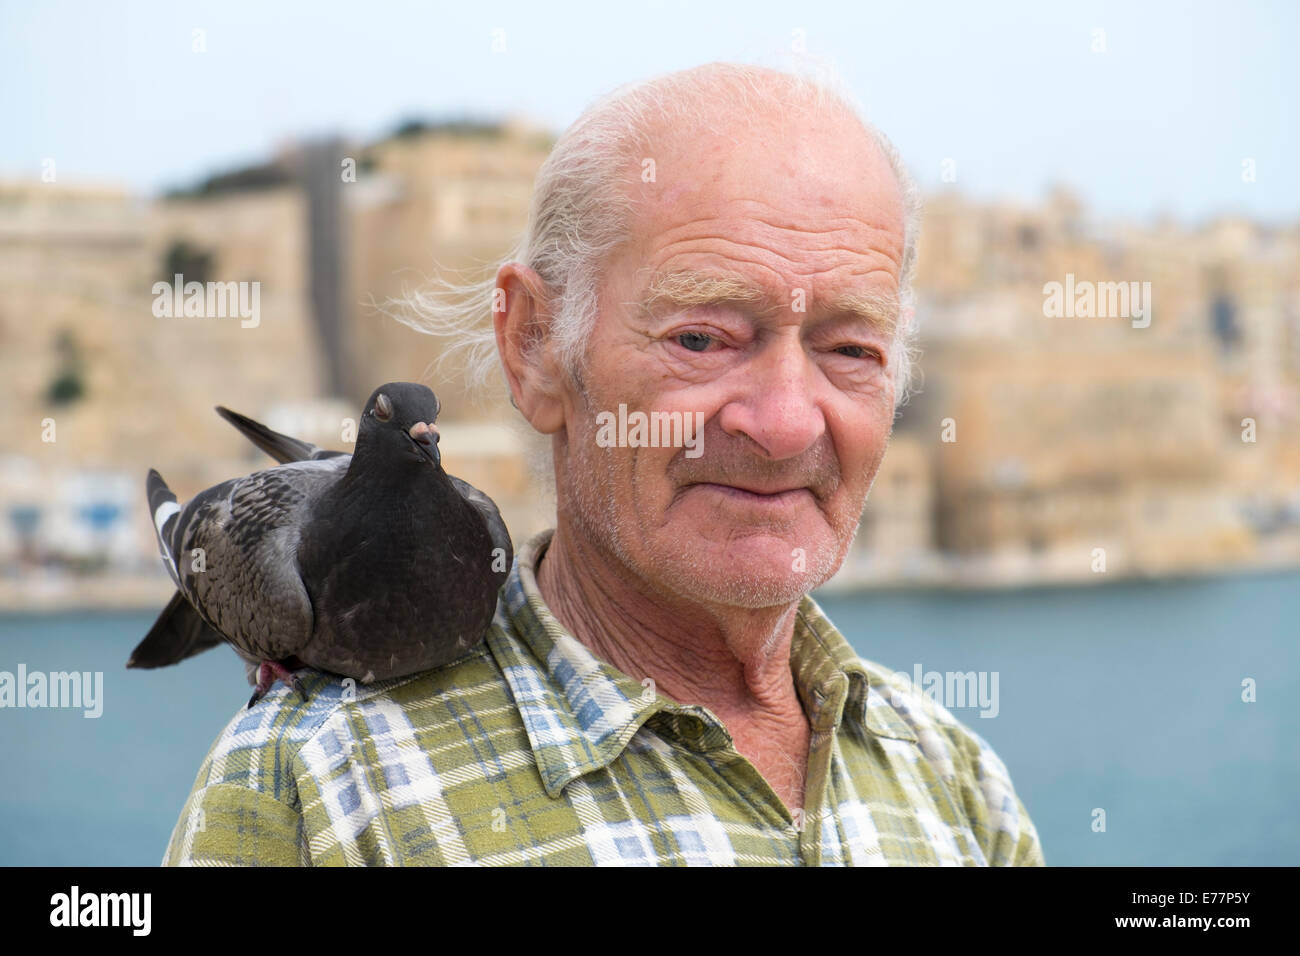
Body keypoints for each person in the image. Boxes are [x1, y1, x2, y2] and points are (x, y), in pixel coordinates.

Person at [163, 61, 1044, 866]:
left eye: (851, 350)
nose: (782, 424)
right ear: (536, 347)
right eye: (701, 338)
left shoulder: (961, 790)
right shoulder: (305, 795)